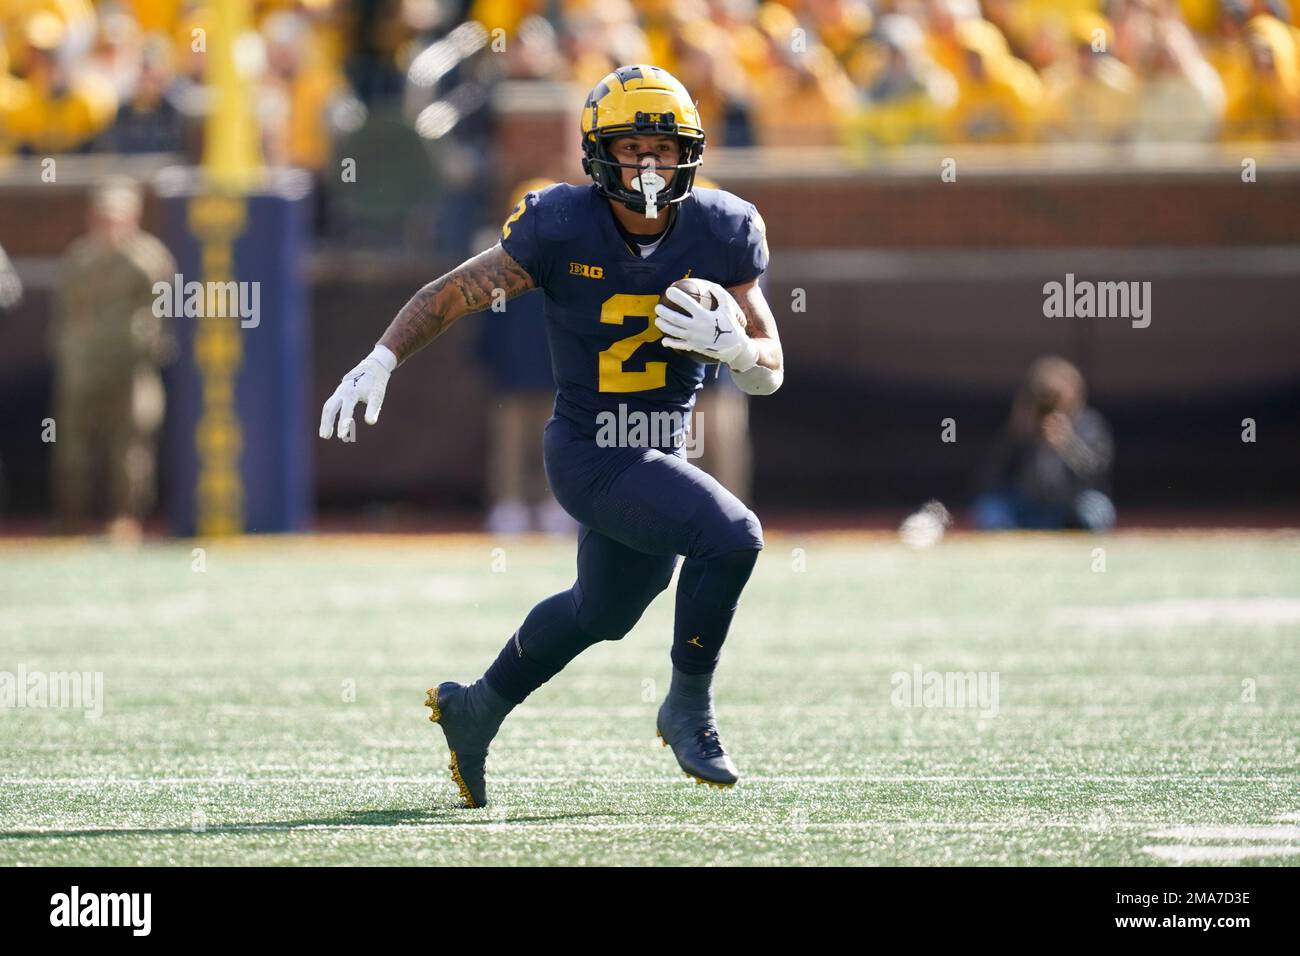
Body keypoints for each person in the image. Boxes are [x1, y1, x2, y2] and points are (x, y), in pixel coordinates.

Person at [320, 64, 784, 807]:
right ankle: (688, 710)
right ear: (601, 154)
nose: (650, 166)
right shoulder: (561, 225)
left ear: (690, 154)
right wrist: (382, 357)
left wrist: (735, 351)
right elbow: (453, 293)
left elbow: (771, 369)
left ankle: (475, 709)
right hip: (590, 450)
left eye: (664, 150)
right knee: (734, 535)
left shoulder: (724, 229)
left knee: (602, 611)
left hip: (659, 448)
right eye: (633, 148)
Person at [51, 176, 175, 541]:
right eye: (104, 217)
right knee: (72, 447)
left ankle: (125, 518)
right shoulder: (80, 257)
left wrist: (145, 348)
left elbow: (160, 314)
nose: (110, 226)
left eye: (118, 218)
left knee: (131, 447)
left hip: (131, 366)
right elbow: (67, 311)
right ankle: (71, 517)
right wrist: (68, 350)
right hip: (85, 365)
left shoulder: (149, 259)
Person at [973, 356, 1115, 532]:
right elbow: (991, 475)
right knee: (991, 508)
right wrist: (1015, 435)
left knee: (1094, 510)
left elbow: (1096, 473)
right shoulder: (1023, 424)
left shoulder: (1089, 425)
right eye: (1044, 396)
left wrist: (1068, 444)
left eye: (1056, 396)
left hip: (1072, 503)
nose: (1051, 404)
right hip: (1028, 505)